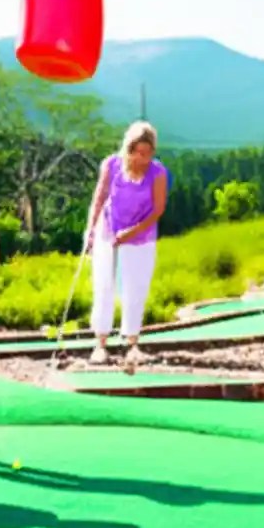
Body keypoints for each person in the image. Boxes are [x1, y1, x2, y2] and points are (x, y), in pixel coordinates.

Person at [83, 120, 168, 366]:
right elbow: (98, 199)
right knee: (104, 285)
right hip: (107, 231)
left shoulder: (157, 172)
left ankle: (132, 342)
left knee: (135, 288)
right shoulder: (111, 165)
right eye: (138, 152)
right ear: (128, 148)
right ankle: (100, 343)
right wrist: (90, 230)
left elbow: (157, 209)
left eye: (148, 152)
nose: (143, 158)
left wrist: (132, 232)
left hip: (141, 236)